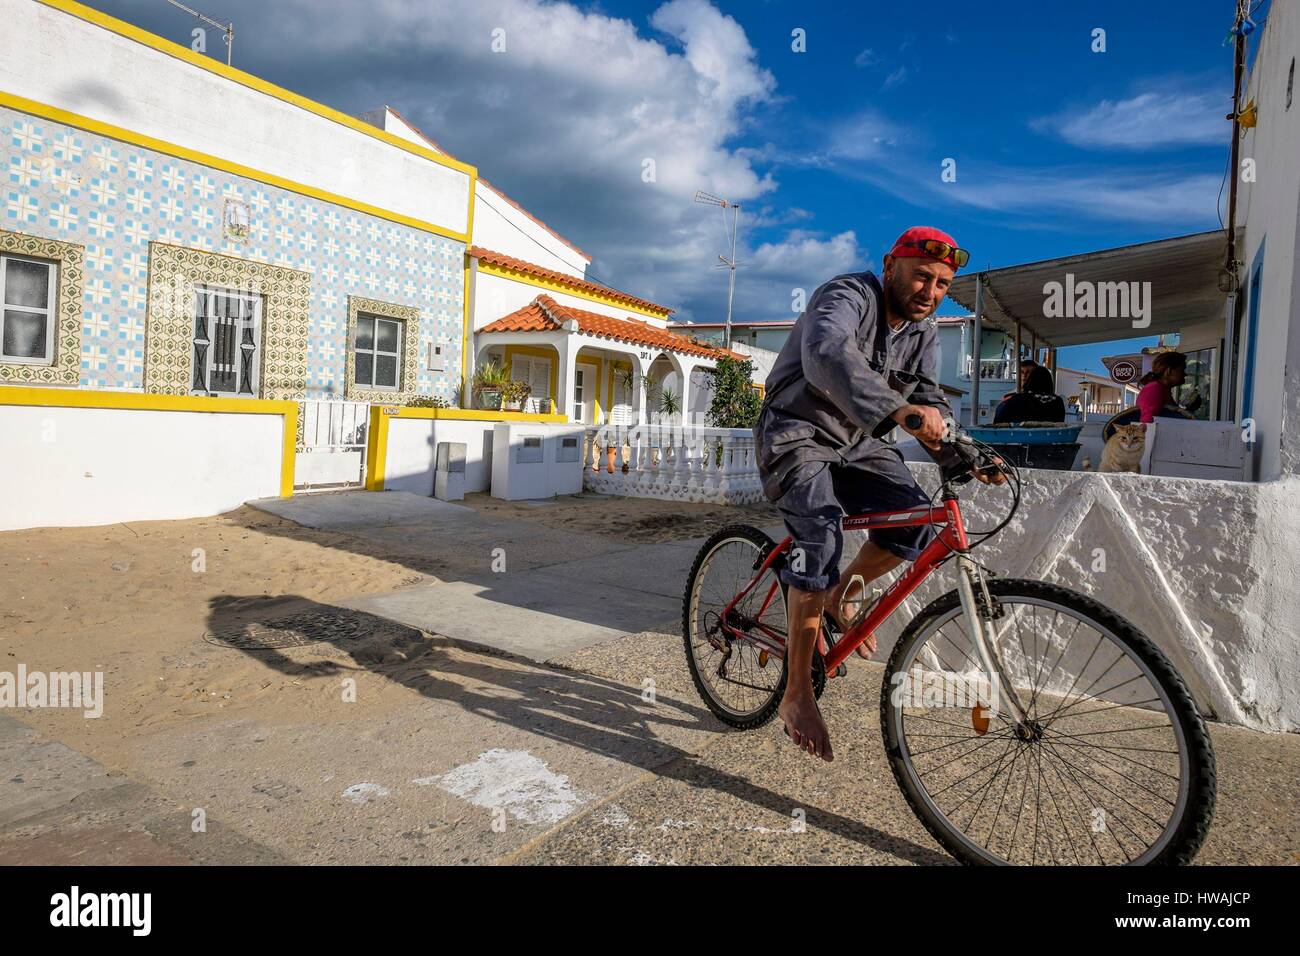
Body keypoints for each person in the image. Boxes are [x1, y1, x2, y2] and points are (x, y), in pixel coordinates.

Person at [754, 226, 1004, 762]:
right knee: (818, 536)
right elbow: (826, 356)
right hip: (796, 432)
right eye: (922, 276)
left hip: (857, 443)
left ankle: (844, 596)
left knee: (914, 521)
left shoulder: (924, 333)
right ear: (891, 266)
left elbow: (930, 402)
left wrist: (965, 454)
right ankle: (796, 691)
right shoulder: (846, 295)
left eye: (942, 284)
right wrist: (897, 412)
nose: (931, 291)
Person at [1135, 352, 1196, 423]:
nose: (1185, 374)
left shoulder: (1163, 389)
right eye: (1182, 370)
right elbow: (1147, 423)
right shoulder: (1154, 388)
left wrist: (1191, 409)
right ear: (1169, 371)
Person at [993, 365, 1066, 424]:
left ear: (1029, 381)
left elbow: (998, 419)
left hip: (1018, 439)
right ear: (1050, 383)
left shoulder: (1016, 400)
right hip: (1048, 439)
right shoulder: (1058, 402)